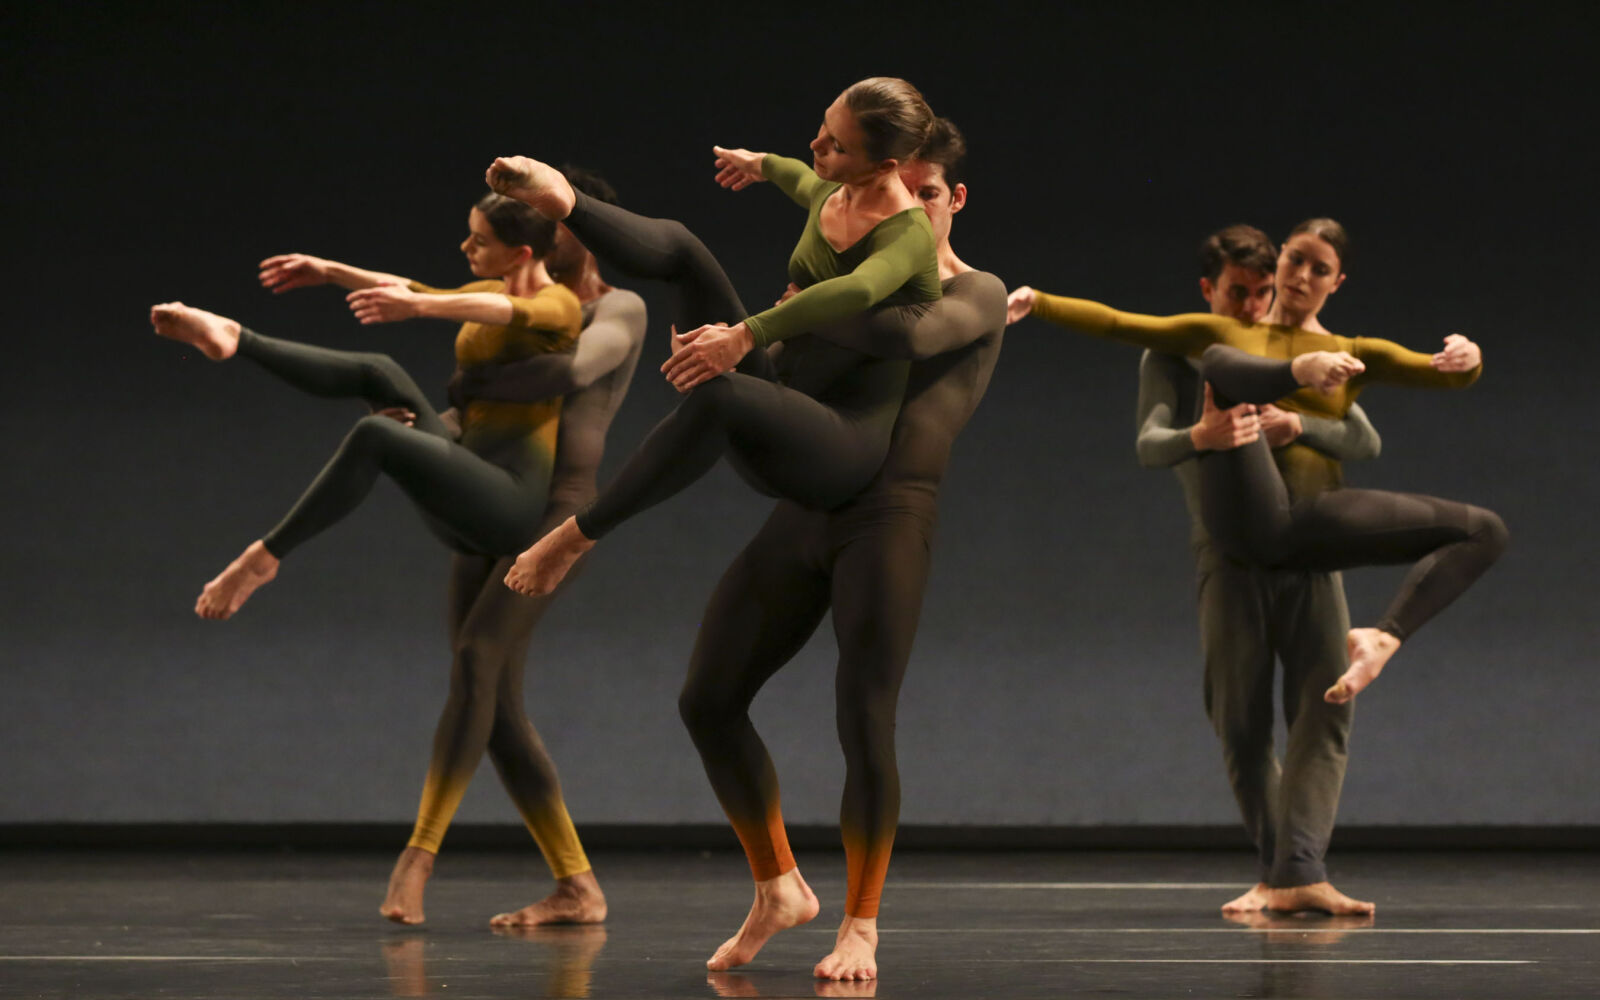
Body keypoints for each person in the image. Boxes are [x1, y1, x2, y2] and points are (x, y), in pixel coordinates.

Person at [154, 192, 597, 925]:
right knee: (378, 371)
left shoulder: (559, 309)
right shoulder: (485, 286)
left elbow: (482, 314)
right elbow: (417, 289)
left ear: (523, 253)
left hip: (512, 506)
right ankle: (238, 339)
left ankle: (264, 557)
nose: (466, 251)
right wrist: (331, 272)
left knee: (378, 437)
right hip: (465, 473)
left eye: (479, 241)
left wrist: (424, 310)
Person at [676, 119, 1006, 981]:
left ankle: (861, 923)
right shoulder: (853, 264)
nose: (905, 207)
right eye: (893, 194)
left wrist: (808, 297)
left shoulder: (974, 292)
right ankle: (776, 885)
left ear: (949, 199)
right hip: (811, 506)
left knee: (863, 714)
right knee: (708, 698)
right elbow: (790, 363)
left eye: (925, 195)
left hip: (890, 515)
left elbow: (906, 336)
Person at [1007, 216, 1506, 709]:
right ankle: (1289, 375)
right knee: (1221, 361)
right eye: (1296, 260)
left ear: (1338, 283)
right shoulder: (1221, 334)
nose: (1302, 276)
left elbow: (1443, 375)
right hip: (1252, 517)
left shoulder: (1353, 354)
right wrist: (1040, 302)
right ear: (1281, 254)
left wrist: (1469, 356)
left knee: (1485, 530)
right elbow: (1122, 323)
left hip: (1315, 521)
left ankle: (1381, 641)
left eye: (1320, 270)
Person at [487, 77, 943, 598]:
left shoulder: (907, 235)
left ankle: (573, 537)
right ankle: (570, 205)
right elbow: (796, 175)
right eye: (822, 127)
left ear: (886, 168)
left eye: (837, 146)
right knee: (684, 248)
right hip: (780, 394)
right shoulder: (834, 192)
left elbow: (859, 289)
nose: (816, 146)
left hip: (837, 449)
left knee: (724, 393)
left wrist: (746, 335)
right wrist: (758, 164)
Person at [1135, 224, 1384, 914]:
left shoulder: (1292, 352)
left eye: (1262, 293)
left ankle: (1300, 870)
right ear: (1207, 291)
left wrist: (1297, 424)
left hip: (1310, 550)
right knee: (1241, 721)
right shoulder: (1179, 351)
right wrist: (1200, 435)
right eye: (1237, 294)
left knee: (1327, 705)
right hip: (1231, 557)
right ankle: (1282, 872)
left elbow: (1365, 437)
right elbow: (1148, 444)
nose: (1251, 307)